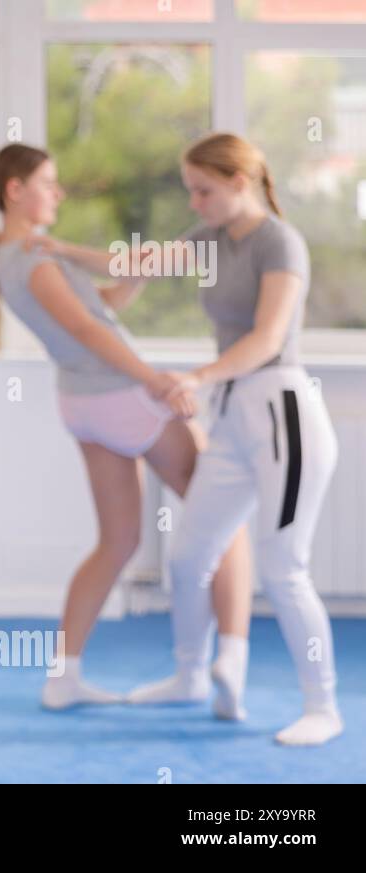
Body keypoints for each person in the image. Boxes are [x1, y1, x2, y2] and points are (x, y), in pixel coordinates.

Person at [0, 143, 252, 711]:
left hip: (84, 406)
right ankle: (228, 662)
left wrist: (140, 270)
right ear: (16, 191)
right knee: (225, 521)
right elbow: (91, 332)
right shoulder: (35, 257)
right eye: (49, 182)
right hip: (122, 398)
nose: (59, 192)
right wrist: (155, 381)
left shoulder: (13, 256)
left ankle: (63, 678)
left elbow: (104, 305)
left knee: (118, 541)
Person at [127, 133, 342, 746]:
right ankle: (192, 675)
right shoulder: (213, 240)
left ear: (240, 183)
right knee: (191, 555)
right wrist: (53, 251)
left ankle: (323, 707)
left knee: (283, 567)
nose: (194, 203)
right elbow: (139, 263)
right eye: (190, 190)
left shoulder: (280, 241)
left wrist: (195, 377)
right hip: (233, 417)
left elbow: (269, 338)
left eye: (204, 190)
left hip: (283, 412)